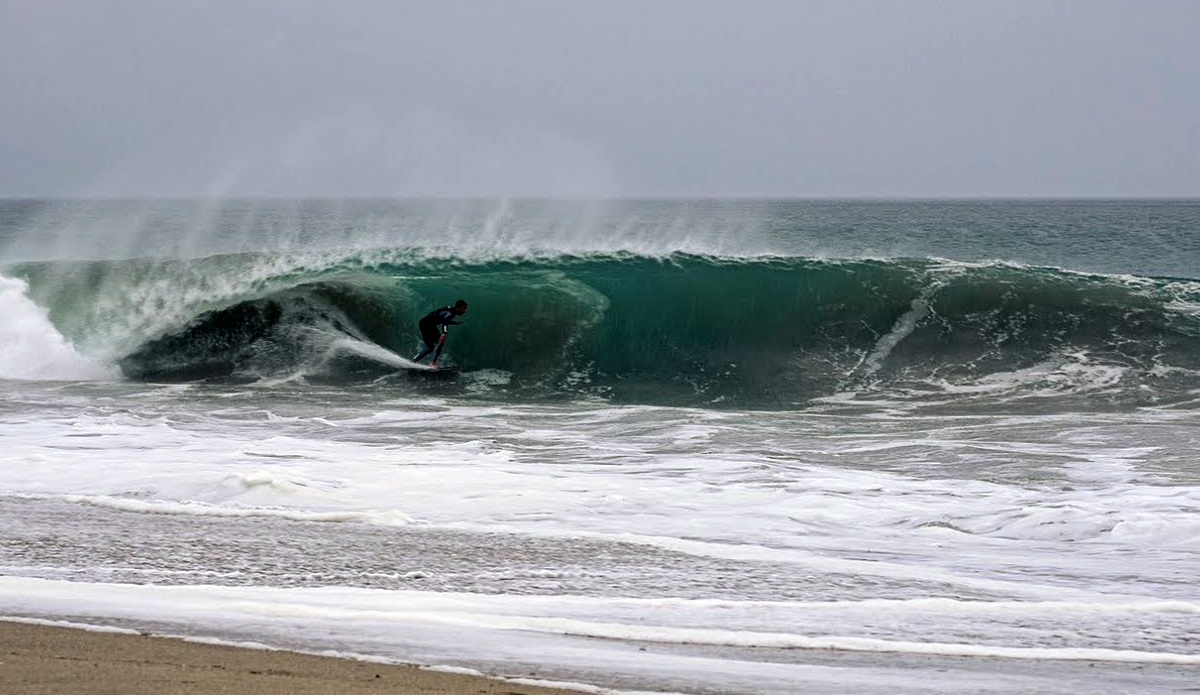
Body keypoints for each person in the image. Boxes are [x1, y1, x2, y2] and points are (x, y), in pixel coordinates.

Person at [412, 299, 468, 367]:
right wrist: (444, 333)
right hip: (428, 324)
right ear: (458, 308)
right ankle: (432, 363)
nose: (465, 311)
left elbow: (444, 318)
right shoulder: (450, 313)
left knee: (432, 346)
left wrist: (455, 323)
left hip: (425, 323)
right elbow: (445, 320)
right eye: (464, 308)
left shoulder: (450, 310)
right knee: (437, 343)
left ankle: (414, 361)